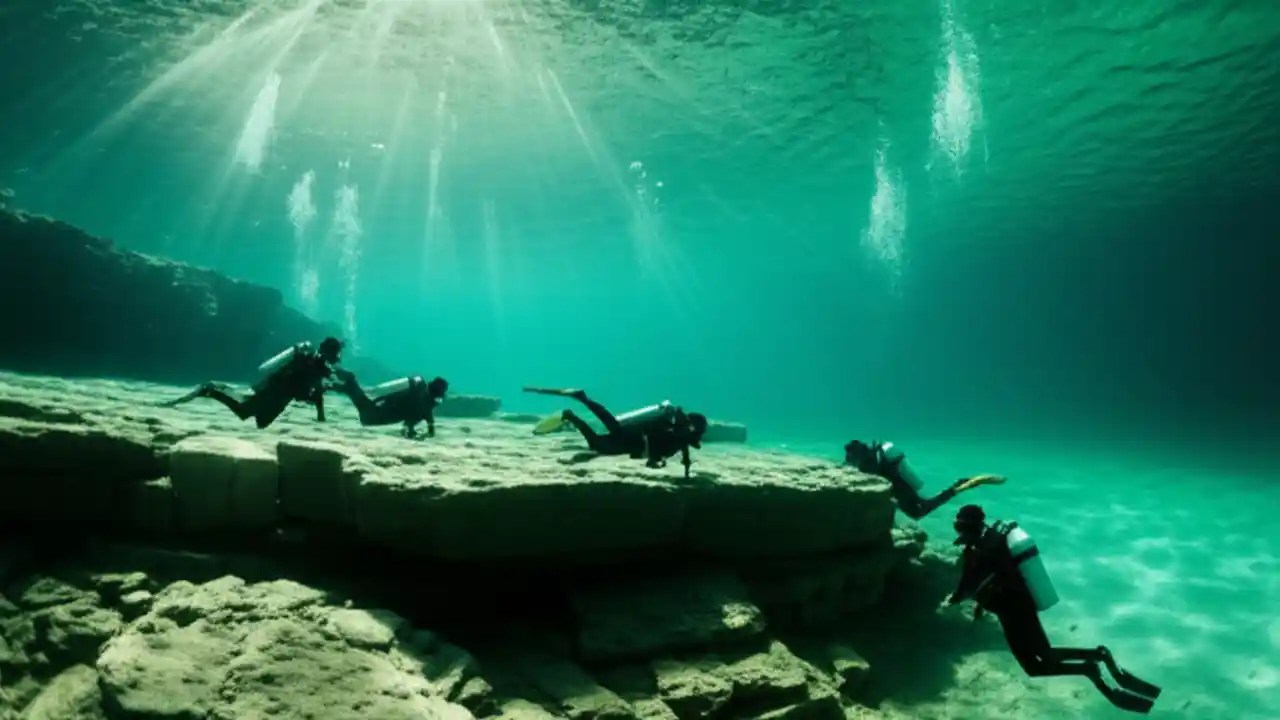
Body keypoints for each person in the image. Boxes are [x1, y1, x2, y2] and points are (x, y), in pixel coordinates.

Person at [947, 504, 1162, 714]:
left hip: (1015, 611)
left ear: (969, 527)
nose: (959, 532)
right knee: (1041, 660)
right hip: (1016, 608)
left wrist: (950, 602)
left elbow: (967, 586)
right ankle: (1092, 663)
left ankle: (1095, 661)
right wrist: (979, 603)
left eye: (960, 527)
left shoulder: (982, 551)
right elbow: (990, 579)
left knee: (1039, 662)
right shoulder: (990, 542)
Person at [158, 337, 343, 429]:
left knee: (261, 423)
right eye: (335, 353)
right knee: (243, 409)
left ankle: (215, 389)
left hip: (275, 403)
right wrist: (314, 401)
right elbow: (299, 390)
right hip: (268, 396)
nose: (337, 358)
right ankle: (209, 388)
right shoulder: (307, 362)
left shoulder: (318, 368)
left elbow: (314, 393)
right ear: (327, 352)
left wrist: (320, 412)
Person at [523, 387, 708, 478]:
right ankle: (570, 414)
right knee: (597, 443)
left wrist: (660, 461)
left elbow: (678, 453)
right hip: (632, 441)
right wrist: (656, 461)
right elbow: (661, 443)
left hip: (633, 437)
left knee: (611, 425)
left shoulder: (679, 434)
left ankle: (582, 400)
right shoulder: (680, 436)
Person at [843, 439, 1005, 519]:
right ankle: (956, 487)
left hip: (904, 489)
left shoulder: (873, 462)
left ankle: (960, 487)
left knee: (920, 511)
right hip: (898, 489)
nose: (854, 463)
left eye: (853, 458)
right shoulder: (871, 458)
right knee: (917, 512)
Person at [333, 371, 448, 439]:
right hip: (382, 413)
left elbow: (417, 418)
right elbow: (416, 418)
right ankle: (348, 381)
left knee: (364, 408)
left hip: (382, 411)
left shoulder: (420, 394)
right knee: (365, 411)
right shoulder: (422, 402)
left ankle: (345, 385)